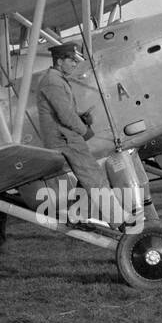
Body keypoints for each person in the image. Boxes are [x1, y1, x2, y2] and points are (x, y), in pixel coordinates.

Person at [36, 43, 111, 219]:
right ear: (59, 61)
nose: (74, 64)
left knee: (89, 176)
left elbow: (65, 111)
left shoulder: (56, 79)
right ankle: (119, 220)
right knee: (94, 177)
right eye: (71, 60)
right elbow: (65, 116)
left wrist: (80, 116)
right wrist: (85, 131)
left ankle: (76, 214)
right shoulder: (53, 82)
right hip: (65, 139)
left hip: (65, 137)